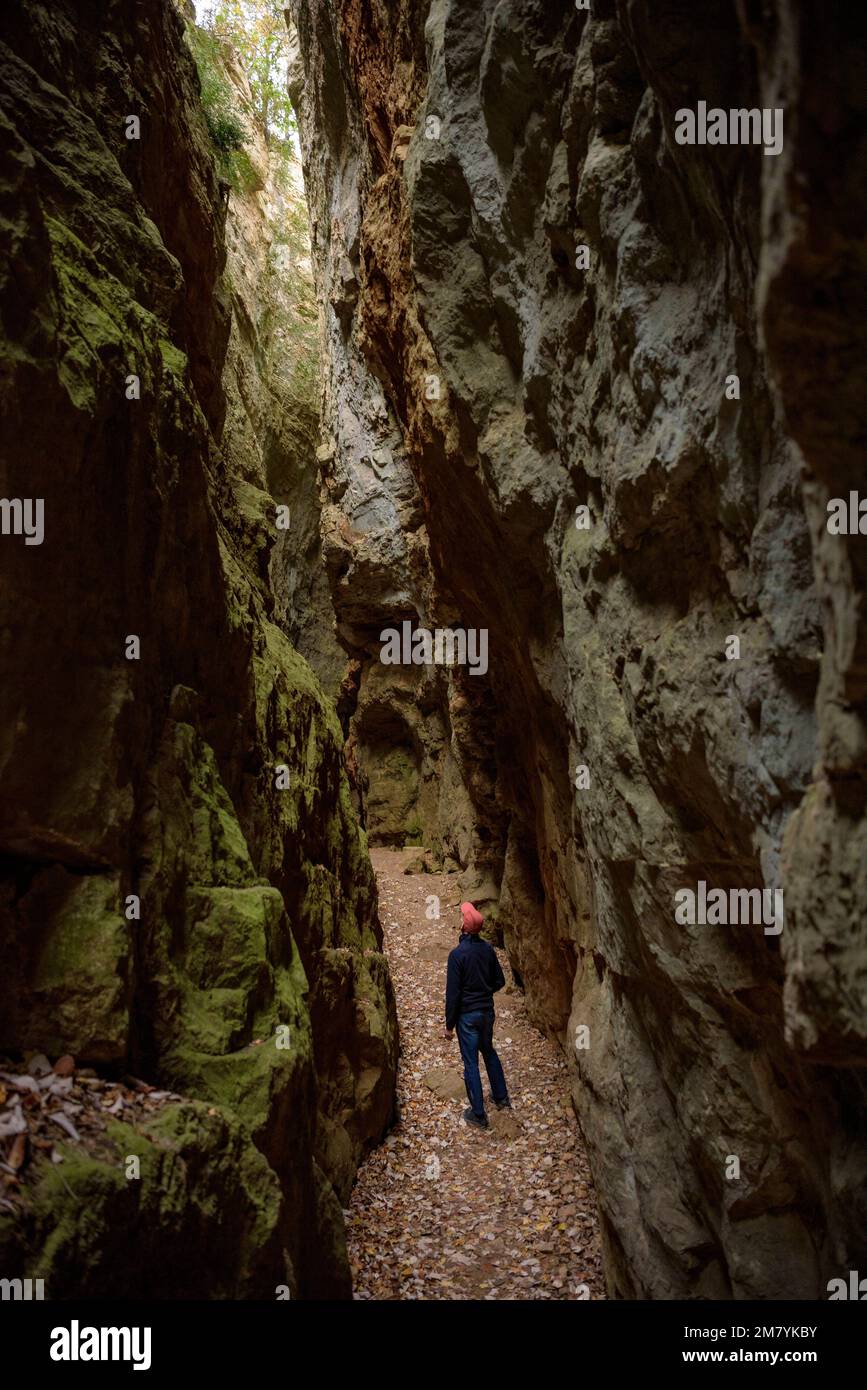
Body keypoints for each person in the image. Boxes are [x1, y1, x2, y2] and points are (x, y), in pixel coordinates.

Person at [444, 901, 511, 1129]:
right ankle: (501, 1098)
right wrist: (484, 992)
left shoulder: (457, 956)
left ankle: (479, 1114)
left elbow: (453, 995)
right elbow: (499, 981)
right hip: (487, 1014)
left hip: (467, 1018)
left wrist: (449, 1025)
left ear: (463, 926)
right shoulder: (488, 949)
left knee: (471, 1062)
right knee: (489, 1051)